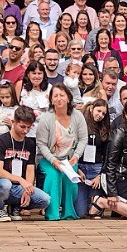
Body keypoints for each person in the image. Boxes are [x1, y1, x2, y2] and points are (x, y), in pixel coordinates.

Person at [33, 83, 86, 221]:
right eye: (55, 96)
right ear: (51, 99)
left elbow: (83, 139)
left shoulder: (78, 116)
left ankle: (68, 213)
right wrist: (53, 160)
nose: (59, 99)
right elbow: (41, 144)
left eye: (62, 95)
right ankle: (52, 213)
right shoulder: (46, 118)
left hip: (69, 159)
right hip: (49, 159)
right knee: (53, 175)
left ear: (68, 97)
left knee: (69, 178)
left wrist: (76, 156)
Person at [0, 104, 50, 221]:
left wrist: (28, 188)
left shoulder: (30, 144)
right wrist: (21, 180)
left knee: (45, 200)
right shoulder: (1, 141)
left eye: (29, 127)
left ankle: (15, 206)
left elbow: (30, 169)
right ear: (13, 122)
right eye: (22, 127)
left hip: (18, 187)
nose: (25, 131)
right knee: (5, 184)